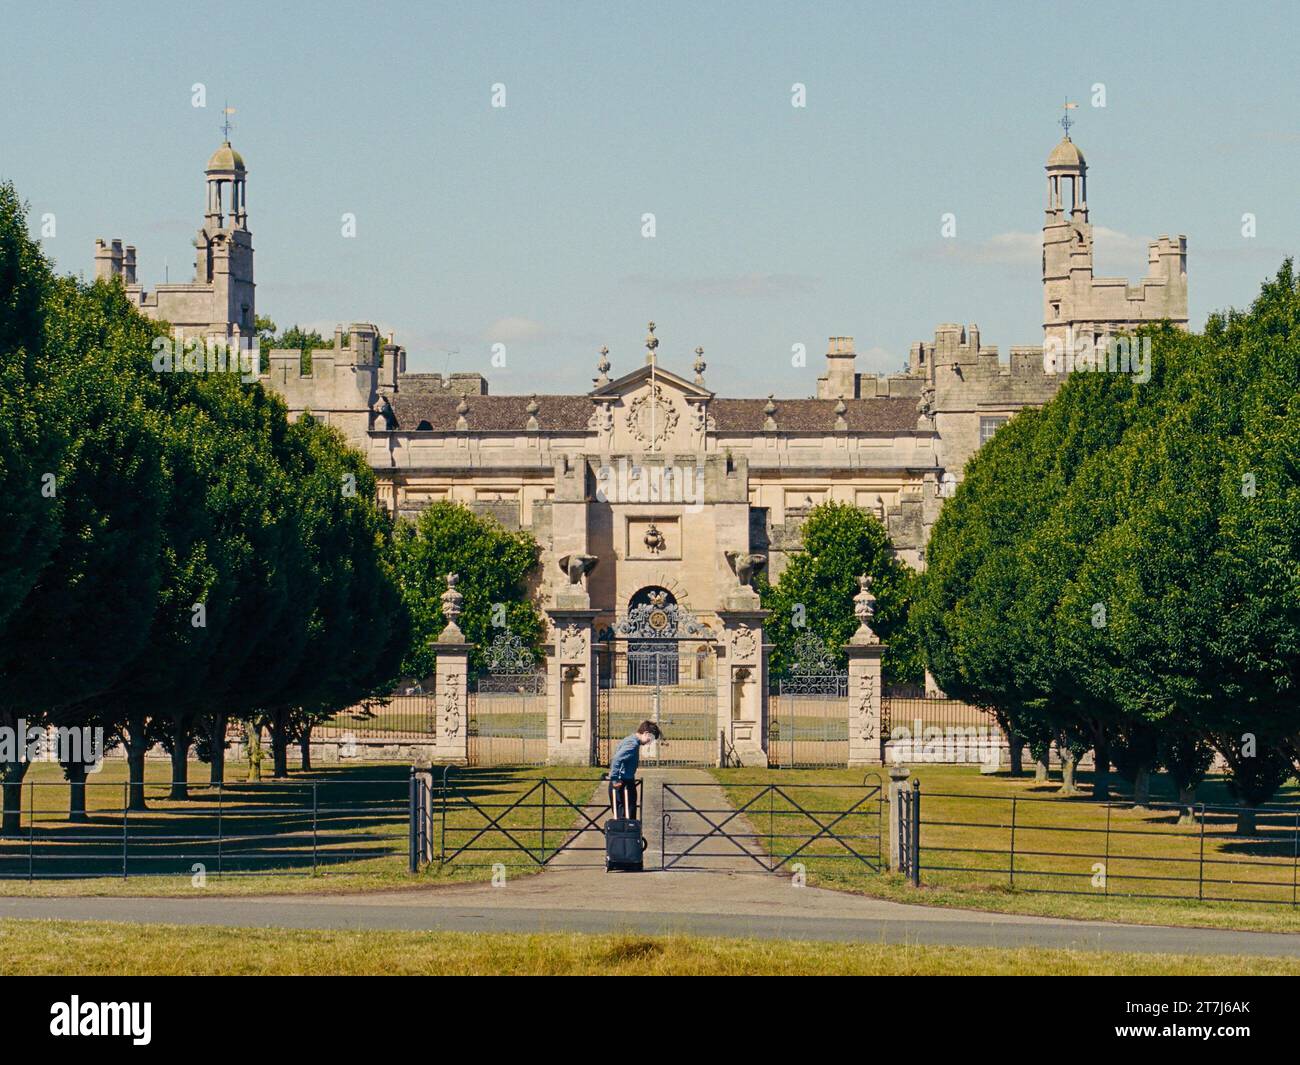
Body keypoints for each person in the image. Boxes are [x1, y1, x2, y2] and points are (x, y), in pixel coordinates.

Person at [608, 720, 661, 820]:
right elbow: (617, 759)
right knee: (626, 819)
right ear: (646, 733)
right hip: (623, 784)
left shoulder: (630, 739)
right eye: (651, 739)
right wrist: (614, 779)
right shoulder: (632, 744)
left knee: (625, 818)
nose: (650, 743)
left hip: (624, 782)